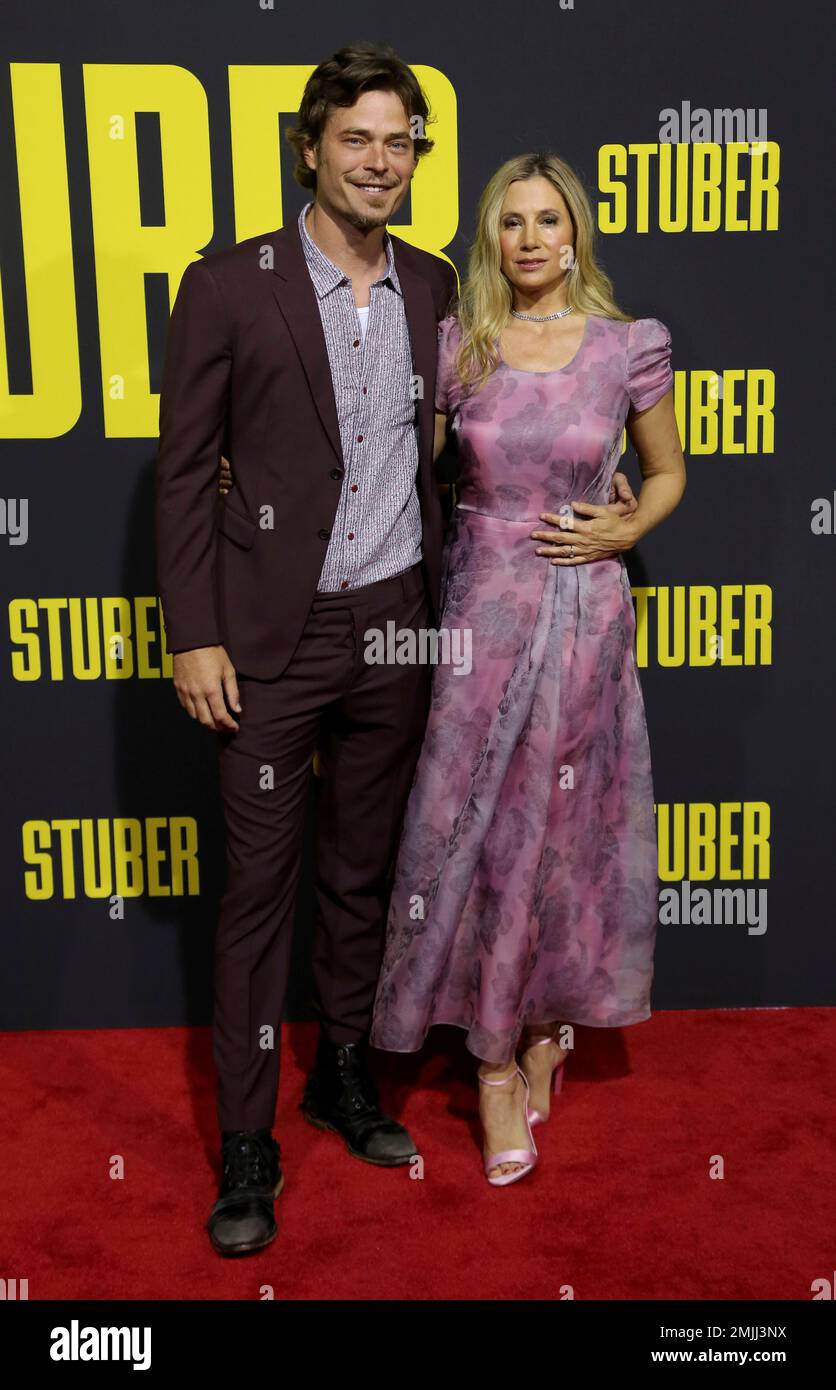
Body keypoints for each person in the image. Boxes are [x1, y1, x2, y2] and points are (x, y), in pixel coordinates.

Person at [155, 41, 461, 1256]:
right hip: (271, 637)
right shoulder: (229, 283)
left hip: (394, 621)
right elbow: (184, 474)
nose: (379, 161)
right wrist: (194, 633)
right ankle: (246, 1141)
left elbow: (451, 445)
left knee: (362, 875)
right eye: (356, 138)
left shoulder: (433, 283)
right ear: (309, 148)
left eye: (398, 141)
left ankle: (341, 1072)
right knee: (255, 897)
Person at [370, 151, 686, 1185]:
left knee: (563, 829)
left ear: (575, 232)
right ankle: (494, 1061)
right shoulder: (459, 345)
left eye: (549, 219)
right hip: (478, 618)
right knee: (478, 828)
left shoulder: (628, 346)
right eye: (512, 222)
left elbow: (666, 471)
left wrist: (625, 524)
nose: (531, 239)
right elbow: (400, 466)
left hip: (584, 616)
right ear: (491, 239)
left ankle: (543, 1025)